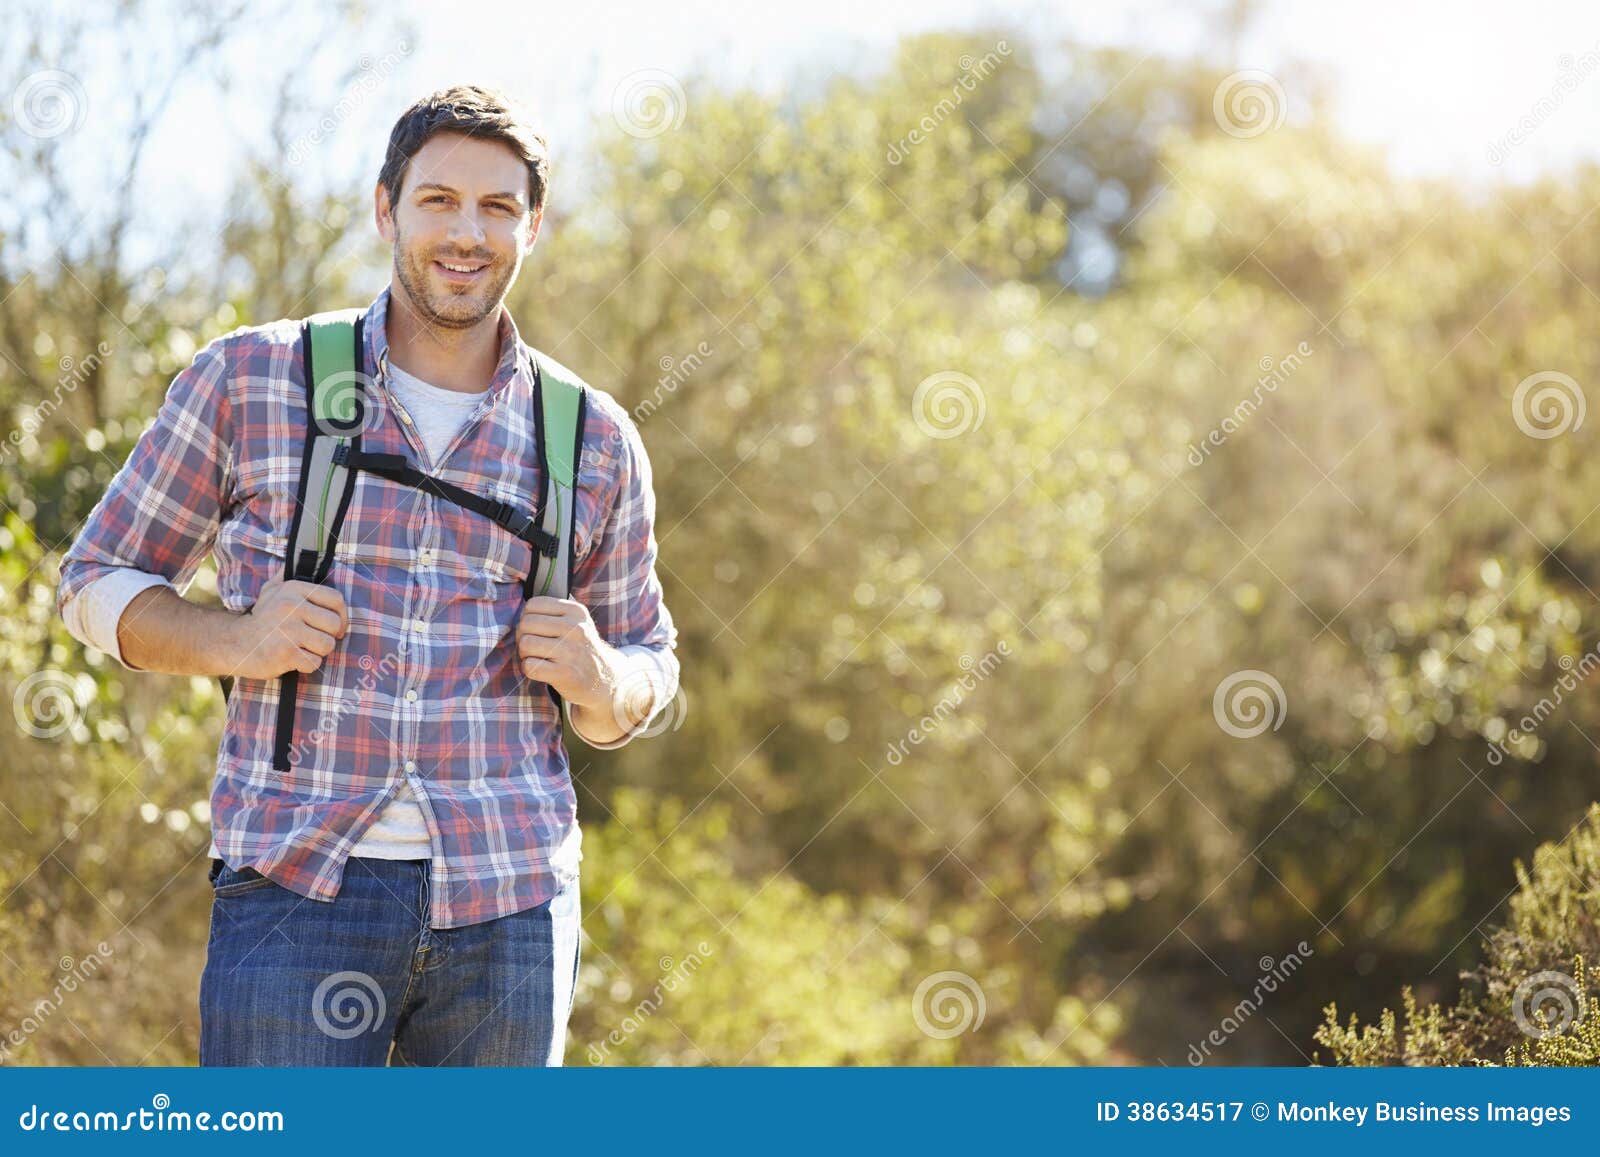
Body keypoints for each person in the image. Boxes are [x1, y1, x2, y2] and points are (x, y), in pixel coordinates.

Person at [55, 85, 679, 1066]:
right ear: (385, 208)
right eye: (438, 200)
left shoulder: (591, 434)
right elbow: (91, 581)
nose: (467, 232)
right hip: (295, 890)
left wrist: (603, 676)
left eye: (497, 207)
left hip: (511, 900)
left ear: (533, 225)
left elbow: (646, 664)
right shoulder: (251, 378)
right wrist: (235, 637)